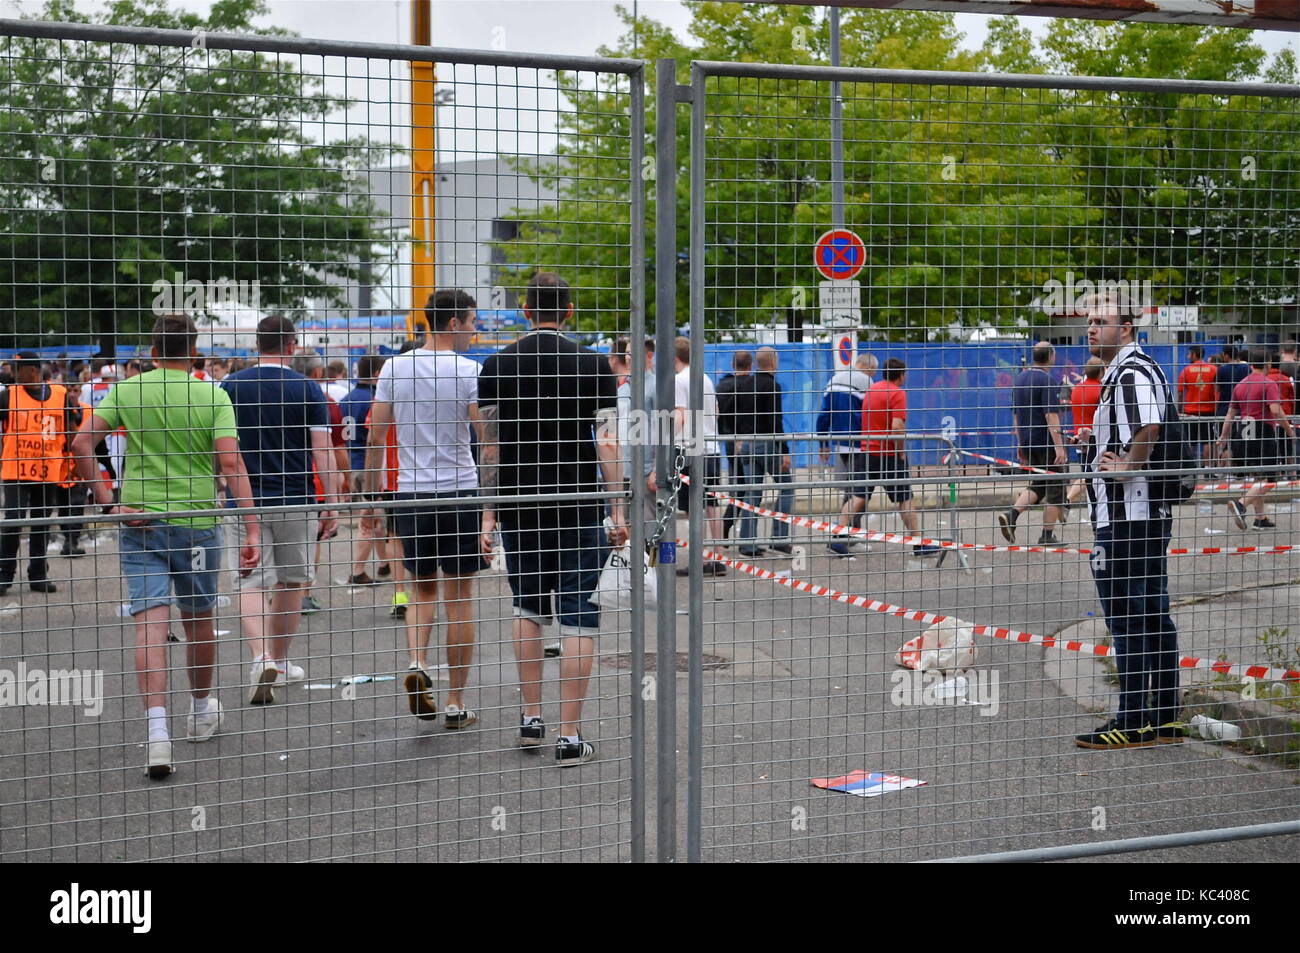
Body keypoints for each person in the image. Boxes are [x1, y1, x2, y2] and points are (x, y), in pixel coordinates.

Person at [71, 314, 259, 778]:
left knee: (150, 626)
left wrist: (109, 501)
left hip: (140, 519)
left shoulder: (126, 390)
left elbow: (81, 444)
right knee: (198, 623)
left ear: (153, 352)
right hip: (196, 522)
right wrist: (252, 527)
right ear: (193, 352)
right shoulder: (213, 392)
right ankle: (198, 711)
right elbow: (231, 463)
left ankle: (157, 733)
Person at [477, 271, 627, 766]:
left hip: (520, 502)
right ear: (568, 311)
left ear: (524, 310)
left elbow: (491, 448)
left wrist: (489, 512)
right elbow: (607, 442)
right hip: (579, 502)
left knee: (527, 608)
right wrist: (617, 507)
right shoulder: (593, 366)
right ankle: (569, 734)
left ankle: (530, 717)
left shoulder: (496, 365)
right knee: (579, 614)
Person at [366, 290, 485, 728]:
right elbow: (486, 439)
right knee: (460, 600)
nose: (476, 329)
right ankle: (455, 701)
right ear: (453, 323)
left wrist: (372, 495)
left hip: (411, 493)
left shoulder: (394, 367)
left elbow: (377, 435)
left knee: (421, 591)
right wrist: (490, 508)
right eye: (472, 320)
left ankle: (418, 662)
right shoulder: (471, 370)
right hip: (459, 492)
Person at [1075, 294, 1181, 749]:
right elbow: (1138, 427)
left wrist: (1127, 467)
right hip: (1139, 515)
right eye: (1090, 321)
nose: (1092, 329)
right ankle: (1163, 717)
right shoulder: (1131, 369)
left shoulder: (1131, 371)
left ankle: (1133, 719)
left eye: (1102, 322)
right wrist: (1095, 438)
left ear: (1128, 328)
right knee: (1153, 613)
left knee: (1127, 616)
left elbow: (1149, 427)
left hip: (1127, 516)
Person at [221, 315, 341, 705]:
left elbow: (219, 448)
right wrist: (332, 503)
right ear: (291, 346)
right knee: (292, 582)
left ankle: (260, 657)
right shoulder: (308, 389)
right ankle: (281, 659)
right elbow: (322, 451)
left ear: (258, 344)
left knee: (250, 581)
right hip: (296, 497)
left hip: (245, 500)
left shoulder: (231, 386)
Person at [0, 353, 82, 592]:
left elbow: (70, 427)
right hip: (16, 469)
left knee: (42, 523)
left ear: (34, 371)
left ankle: (37, 574)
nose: (13, 373)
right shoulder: (8, 396)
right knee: (13, 520)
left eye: (18, 368)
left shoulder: (59, 394)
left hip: (48, 469)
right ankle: (4, 574)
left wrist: (76, 460)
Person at [846, 358, 939, 559]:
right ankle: (918, 543)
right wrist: (901, 451)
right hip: (888, 454)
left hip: (867, 450)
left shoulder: (872, 390)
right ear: (901, 375)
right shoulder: (897, 393)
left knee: (858, 496)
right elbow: (897, 426)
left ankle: (836, 537)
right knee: (905, 498)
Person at [1218, 346, 1295, 531]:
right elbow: (1276, 410)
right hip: (1262, 429)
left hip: (1245, 428)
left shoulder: (1241, 384)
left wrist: (1223, 436)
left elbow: (1230, 414)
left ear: (1251, 364)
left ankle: (1260, 518)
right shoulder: (1269, 384)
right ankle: (1241, 504)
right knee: (1270, 478)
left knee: (1257, 475)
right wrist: (1288, 429)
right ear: (1268, 363)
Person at [999, 342, 1067, 546]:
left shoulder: (1020, 379)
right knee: (1056, 488)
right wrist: (1059, 446)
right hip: (1046, 442)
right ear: (1051, 356)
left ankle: (1011, 516)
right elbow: (1051, 415)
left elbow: (1016, 415)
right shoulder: (1047, 380)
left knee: (1038, 484)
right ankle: (1047, 535)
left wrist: (1021, 443)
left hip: (1028, 441)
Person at [732, 347, 794, 557]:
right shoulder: (772, 386)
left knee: (752, 493)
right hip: (767, 444)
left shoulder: (745, 383)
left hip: (747, 444)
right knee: (787, 487)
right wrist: (784, 451)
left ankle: (747, 544)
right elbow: (775, 421)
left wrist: (740, 439)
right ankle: (779, 539)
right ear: (774, 362)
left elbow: (737, 415)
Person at [673, 336, 725, 574]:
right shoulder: (704, 378)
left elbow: (680, 416)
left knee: (694, 508)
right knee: (712, 504)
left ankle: (700, 560)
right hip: (711, 447)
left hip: (690, 449)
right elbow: (715, 411)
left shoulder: (679, 380)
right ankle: (718, 557)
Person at [818, 354, 876, 553]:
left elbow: (824, 414)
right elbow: (871, 412)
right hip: (861, 443)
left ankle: (845, 535)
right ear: (868, 367)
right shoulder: (866, 381)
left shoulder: (834, 379)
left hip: (840, 443)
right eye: (873, 372)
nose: (873, 375)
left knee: (851, 491)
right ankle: (847, 536)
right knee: (860, 491)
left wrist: (822, 442)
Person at [342, 353, 387, 585]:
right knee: (369, 519)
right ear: (377, 374)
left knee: (376, 517)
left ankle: (384, 563)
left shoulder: (346, 398)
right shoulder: (375, 400)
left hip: (351, 461)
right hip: (369, 465)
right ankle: (358, 569)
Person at [713, 350, 751, 543]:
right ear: (750, 366)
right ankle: (727, 524)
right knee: (746, 485)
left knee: (739, 483)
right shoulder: (748, 385)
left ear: (732, 364)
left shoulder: (721, 385)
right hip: (744, 438)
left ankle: (727, 525)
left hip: (728, 438)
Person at [1065, 357, 1104, 508]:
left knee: (1087, 476)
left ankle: (1070, 500)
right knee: (1093, 479)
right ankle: (1069, 500)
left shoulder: (1076, 389)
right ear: (1101, 371)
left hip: (1079, 441)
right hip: (1096, 440)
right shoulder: (1101, 390)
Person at [1177, 345, 1219, 464]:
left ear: (1194, 354)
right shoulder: (1213, 369)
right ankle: (1208, 468)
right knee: (1209, 441)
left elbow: (1180, 393)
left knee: (1190, 441)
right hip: (1209, 411)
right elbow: (1217, 390)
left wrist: (1180, 410)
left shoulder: (1186, 370)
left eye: (1189, 354)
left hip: (1190, 411)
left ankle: (1189, 467)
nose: (1188, 356)